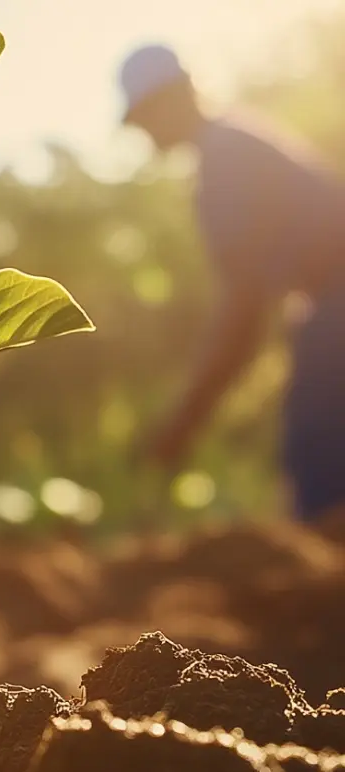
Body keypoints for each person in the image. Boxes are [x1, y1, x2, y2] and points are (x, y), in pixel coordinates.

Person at [121, 45, 345, 521]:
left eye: (144, 116)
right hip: (325, 303)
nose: (142, 131)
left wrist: (183, 421)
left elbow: (245, 309)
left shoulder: (224, 160)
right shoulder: (236, 140)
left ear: (176, 98)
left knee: (322, 470)